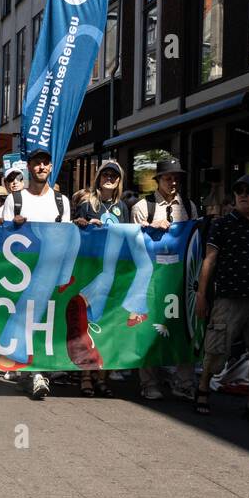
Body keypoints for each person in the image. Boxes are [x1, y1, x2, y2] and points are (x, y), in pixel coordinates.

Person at [193, 174, 249, 423]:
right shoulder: (222, 224)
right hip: (229, 298)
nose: (243, 194)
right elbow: (209, 260)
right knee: (216, 348)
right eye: (239, 191)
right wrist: (201, 295)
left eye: (248, 191)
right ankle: (203, 389)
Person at [0, 149, 76, 400]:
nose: (41, 167)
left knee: (42, 320)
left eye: (45, 163)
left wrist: (64, 275)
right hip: (18, 271)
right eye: (37, 163)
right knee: (27, 316)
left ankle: (36, 371)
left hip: (48, 271)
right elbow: (1, 239)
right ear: (29, 167)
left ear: (50, 168)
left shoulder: (62, 202)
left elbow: (67, 238)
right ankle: (27, 368)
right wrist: (13, 226)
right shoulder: (15, 199)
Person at [71, 158, 148, 397]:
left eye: (114, 176)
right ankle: (85, 376)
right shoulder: (87, 203)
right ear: (98, 178)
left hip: (114, 273)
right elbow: (73, 229)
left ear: (119, 181)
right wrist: (82, 223)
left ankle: (102, 378)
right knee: (89, 323)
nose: (109, 179)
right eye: (105, 175)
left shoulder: (122, 208)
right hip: (92, 271)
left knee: (105, 325)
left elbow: (127, 238)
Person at [133, 157, 198, 401]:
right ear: (158, 180)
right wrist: (151, 225)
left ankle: (183, 381)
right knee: (149, 327)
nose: (173, 182)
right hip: (151, 276)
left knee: (183, 327)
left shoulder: (189, 207)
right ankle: (149, 382)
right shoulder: (143, 206)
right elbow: (135, 241)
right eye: (168, 177)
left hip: (180, 277)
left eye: (176, 178)